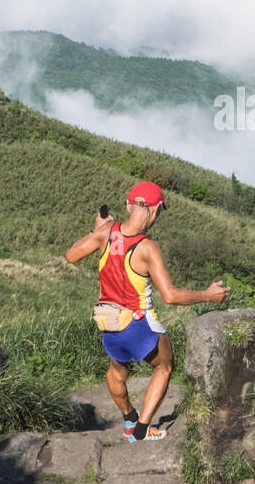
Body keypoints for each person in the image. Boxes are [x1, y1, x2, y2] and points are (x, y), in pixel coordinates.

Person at [65, 181, 229, 442]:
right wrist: (209, 295)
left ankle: (129, 418)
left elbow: (71, 256)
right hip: (138, 323)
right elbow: (171, 296)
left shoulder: (105, 232)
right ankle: (140, 431)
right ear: (156, 211)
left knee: (117, 372)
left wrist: (96, 231)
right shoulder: (148, 247)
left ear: (128, 205)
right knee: (164, 367)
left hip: (108, 321)